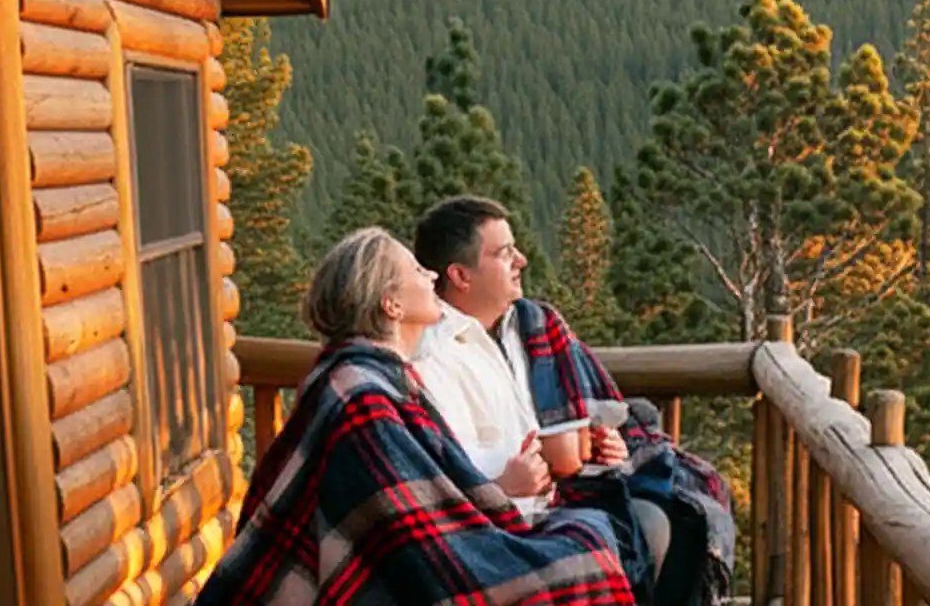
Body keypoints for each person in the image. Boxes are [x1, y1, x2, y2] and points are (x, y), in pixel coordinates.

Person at [195, 227, 637, 605]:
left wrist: (499, 498)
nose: (431, 275)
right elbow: (417, 543)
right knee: (586, 552)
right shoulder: (361, 398)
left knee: (585, 532)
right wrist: (504, 504)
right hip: (370, 581)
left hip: (386, 566)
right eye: (417, 271)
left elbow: (424, 498)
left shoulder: (371, 376)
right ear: (392, 304)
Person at [412, 196, 737, 606]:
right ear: (460, 275)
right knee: (640, 527)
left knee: (685, 512)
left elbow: (588, 411)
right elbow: (435, 466)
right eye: (504, 253)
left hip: (565, 489)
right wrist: (497, 488)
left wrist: (609, 445)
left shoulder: (534, 325)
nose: (522, 260)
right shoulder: (431, 352)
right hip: (500, 518)